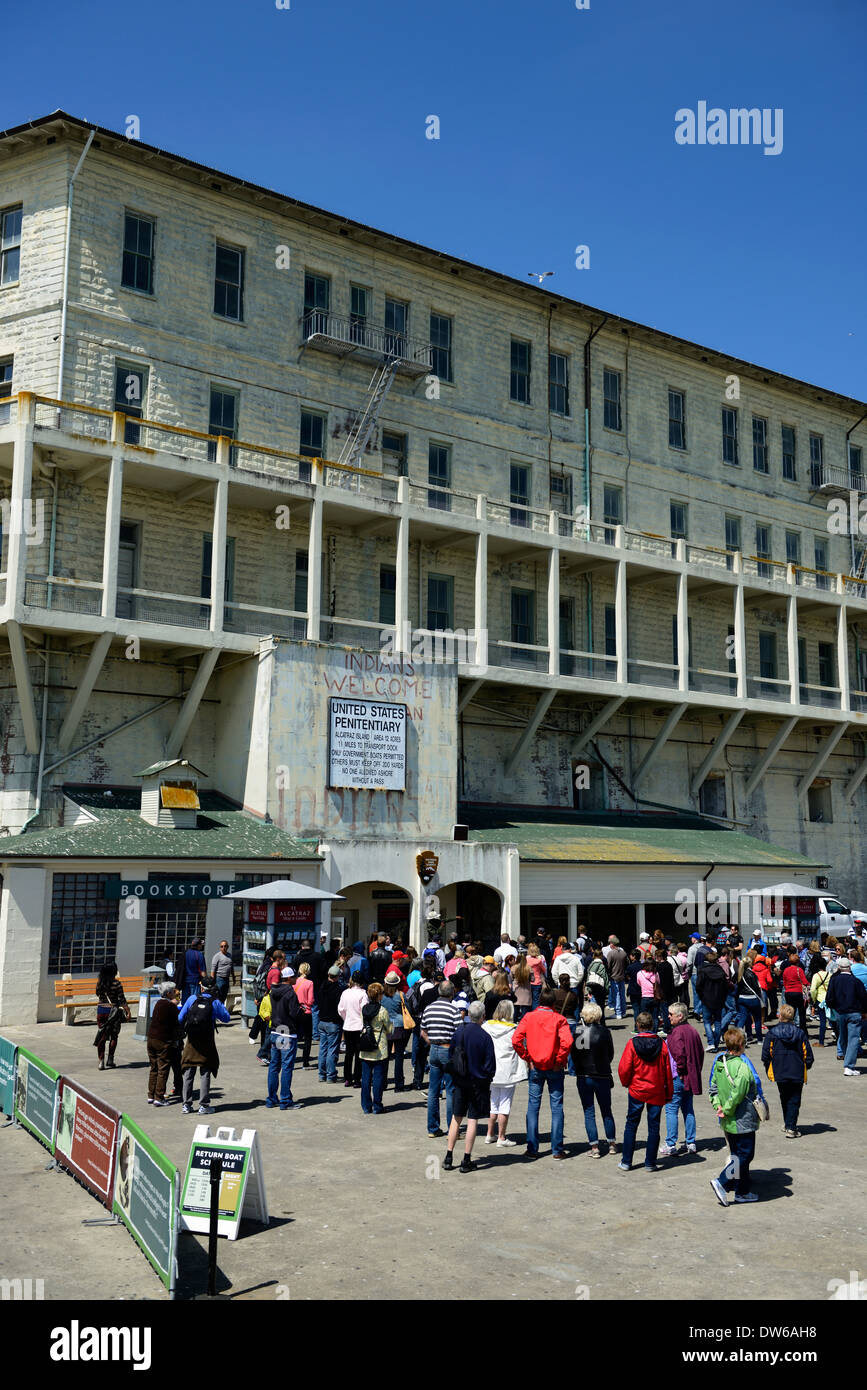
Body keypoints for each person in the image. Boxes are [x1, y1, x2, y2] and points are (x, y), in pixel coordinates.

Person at [511, 986, 573, 1160]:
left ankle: (532, 1148)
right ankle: (557, 1149)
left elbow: (516, 1039)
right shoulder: (559, 1019)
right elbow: (567, 1043)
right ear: (554, 1003)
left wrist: (527, 1057)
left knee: (533, 1106)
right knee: (556, 1106)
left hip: (536, 1066)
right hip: (553, 1066)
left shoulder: (529, 1017)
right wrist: (560, 1060)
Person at [708, 1026, 760, 1205]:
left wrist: (719, 1107)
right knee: (745, 1155)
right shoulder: (742, 1067)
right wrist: (727, 1108)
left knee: (737, 1155)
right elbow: (738, 1093)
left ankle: (742, 1191)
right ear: (741, 1045)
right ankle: (722, 1181)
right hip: (741, 1119)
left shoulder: (720, 1062)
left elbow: (712, 1088)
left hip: (727, 1119)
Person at [443, 1000, 496, 1171]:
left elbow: (451, 1054)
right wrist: (487, 1078)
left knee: (456, 1118)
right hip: (477, 1083)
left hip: (460, 1080)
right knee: (472, 1119)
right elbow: (490, 1065)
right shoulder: (485, 1037)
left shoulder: (459, 1032)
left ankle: (448, 1156)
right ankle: (466, 1159)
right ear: (482, 1016)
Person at [617, 1011, 673, 1172]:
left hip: (637, 1089)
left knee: (631, 1124)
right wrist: (669, 1093)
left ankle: (627, 1161)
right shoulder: (662, 1044)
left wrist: (626, 1082)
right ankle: (650, 1162)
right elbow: (668, 1071)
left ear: (638, 1025)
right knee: (654, 1126)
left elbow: (624, 1068)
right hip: (656, 1090)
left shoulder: (632, 1043)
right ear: (652, 1025)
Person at [177, 975, 230, 1114]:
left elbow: (180, 1017)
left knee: (189, 1070)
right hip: (207, 1039)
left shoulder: (192, 999)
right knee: (205, 1071)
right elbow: (226, 1018)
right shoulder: (214, 1002)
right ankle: (204, 1105)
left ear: (201, 987)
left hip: (192, 1039)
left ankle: (186, 1105)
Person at [761, 1002, 813, 1137]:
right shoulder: (800, 1033)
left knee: (784, 1097)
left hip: (780, 1070)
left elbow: (766, 1054)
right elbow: (808, 1055)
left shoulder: (772, 1033)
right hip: (797, 1070)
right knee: (794, 1099)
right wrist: (806, 1065)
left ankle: (788, 1123)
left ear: (780, 1016)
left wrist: (769, 1068)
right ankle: (791, 1126)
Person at [571, 1001, 616, 1157]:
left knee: (589, 1111)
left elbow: (575, 1056)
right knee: (606, 1110)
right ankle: (611, 1144)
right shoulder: (605, 1032)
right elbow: (610, 1054)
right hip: (602, 1074)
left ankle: (595, 1147)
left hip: (584, 1075)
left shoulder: (579, 1032)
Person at [482, 1000, 528, 1147]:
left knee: (493, 1103)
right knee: (504, 1105)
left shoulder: (487, 1026)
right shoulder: (514, 1029)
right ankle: (501, 1137)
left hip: (491, 1070)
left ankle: (490, 1134)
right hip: (507, 1072)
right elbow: (521, 1047)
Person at [660, 1001, 704, 1156]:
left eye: (671, 1014)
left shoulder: (676, 1033)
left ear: (680, 1016)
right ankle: (691, 1142)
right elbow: (700, 1053)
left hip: (679, 1077)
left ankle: (670, 1144)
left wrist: (680, 1071)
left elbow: (680, 1056)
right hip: (690, 1076)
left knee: (671, 1110)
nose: (668, 1017)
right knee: (688, 1109)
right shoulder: (693, 1030)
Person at [420, 980, 460, 1137]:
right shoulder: (453, 1010)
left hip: (434, 1050)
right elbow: (459, 1032)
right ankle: (452, 1128)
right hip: (447, 1049)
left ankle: (433, 1128)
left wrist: (431, 1042)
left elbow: (423, 1031)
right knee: (450, 1090)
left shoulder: (429, 1008)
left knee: (433, 1090)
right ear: (452, 993)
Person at [266, 966, 304, 1110]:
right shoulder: (290, 993)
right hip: (287, 1032)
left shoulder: (273, 991)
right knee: (287, 1067)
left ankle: (271, 1099)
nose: (295, 979)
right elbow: (294, 1014)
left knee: (274, 1067)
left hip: (276, 1031)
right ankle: (285, 1101)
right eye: (294, 977)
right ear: (289, 979)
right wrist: (302, 1012)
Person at [825, 958, 867, 1075]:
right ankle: (849, 1065)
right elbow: (863, 998)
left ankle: (847, 1061)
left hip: (840, 1013)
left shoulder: (834, 980)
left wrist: (834, 1007)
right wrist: (864, 1012)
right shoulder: (856, 981)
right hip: (854, 1012)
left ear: (839, 967)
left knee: (843, 1038)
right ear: (850, 967)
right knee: (853, 1039)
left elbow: (829, 998)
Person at [358, 982, 393, 1115]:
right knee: (378, 1078)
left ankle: (366, 1106)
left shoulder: (364, 1009)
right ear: (379, 995)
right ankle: (377, 1105)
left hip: (366, 1044)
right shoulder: (382, 1011)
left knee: (365, 1079)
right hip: (379, 1046)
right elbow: (389, 1029)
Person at [146, 981, 180, 1105]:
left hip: (151, 1038)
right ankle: (159, 1097)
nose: (176, 992)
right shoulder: (169, 1006)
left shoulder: (159, 1003)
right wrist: (175, 1005)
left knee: (154, 1068)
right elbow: (177, 1020)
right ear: (169, 993)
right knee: (163, 1068)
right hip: (163, 1040)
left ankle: (151, 1094)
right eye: (174, 991)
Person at [94, 960, 130, 1070]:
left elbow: (97, 994)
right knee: (114, 1036)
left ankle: (101, 1061)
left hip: (101, 1011)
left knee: (102, 1036)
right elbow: (122, 999)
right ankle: (110, 1059)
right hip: (113, 1012)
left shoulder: (100, 983)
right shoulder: (117, 983)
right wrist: (127, 1011)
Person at [338, 971, 368, 1088]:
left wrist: (347, 1018)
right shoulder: (363, 994)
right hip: (359, 1026)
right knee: (359, 1053)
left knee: (348, 1053)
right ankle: (357, 1079)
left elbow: (341, 1009)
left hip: (348, 1025)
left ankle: (347, 1078)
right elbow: (364, 1010)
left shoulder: (345, 992)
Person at [696, 950, 729, 1051]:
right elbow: (725, 987)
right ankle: (715, 1044)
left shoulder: (703, 971)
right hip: (719, 1000)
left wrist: (702, 996)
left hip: (707, 999)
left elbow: (698, 986)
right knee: (718, 1022)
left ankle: (711, 1043)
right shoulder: (720, 971)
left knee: (707, 1021)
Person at [381, 971, 409, 1092]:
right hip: (399, 1026)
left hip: (386, 1027)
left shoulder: (382, 996)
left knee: (384, 1057)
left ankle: (382, 1083)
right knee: (399, 1057)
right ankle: (399, 1084)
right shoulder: (401, 995)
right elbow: (407, 1009)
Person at [317, 964, 344, 1083]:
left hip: (322, 1021)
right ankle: (330, 1074)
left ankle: (321, 1074)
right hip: (333, 1022)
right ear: (337, 976)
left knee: (323, 1048)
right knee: (332, 1050)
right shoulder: (338, 990)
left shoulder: (322, 987)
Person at [735, 953, 765, 1045]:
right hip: (752, 998)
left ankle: (739, 1037)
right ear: (750, 964)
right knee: (757, 1019)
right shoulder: (752, 974)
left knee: (742, 1018)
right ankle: (759, 1039)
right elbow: (756, 987)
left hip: (742, 998)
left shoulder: (739, 974)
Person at [780, 950, 810, 1033]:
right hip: (798, 993)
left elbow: (784, 983)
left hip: (788, 993)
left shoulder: (786, 970)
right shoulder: (799, 970)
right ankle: (803, 1031)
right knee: (801, 1013)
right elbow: (804, 982)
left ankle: (790, 1030)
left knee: (791, 1012)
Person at [293, 961, 314, 1068]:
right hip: (306, 1012)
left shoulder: (294, 982)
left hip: (296, 1011)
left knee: (293, 1036)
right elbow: (310, 1001)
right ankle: (305, 1062)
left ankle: (291, 1059)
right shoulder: (309, 983)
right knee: (308, 1038)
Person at [810, 954, 833, 1046]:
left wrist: (814, 999)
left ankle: (821, 1041)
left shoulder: (816, 976)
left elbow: (812, 990)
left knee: (823, 1021)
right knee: (833, 1019)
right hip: (829, 998)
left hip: (820, 999)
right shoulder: (830, 975)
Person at [604, 938, 628, 1019]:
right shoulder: (623, 953)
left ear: (613, 944)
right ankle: (623, 1011)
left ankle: (618, 1012)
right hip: (622, 976)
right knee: (622, 994)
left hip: (614, 976)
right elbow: (627, 963)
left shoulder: (611, 953)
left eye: (610, 943)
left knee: (616, 994)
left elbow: (608, 966)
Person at [636, 956, 660, 1032]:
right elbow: (658, 983)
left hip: (645, 997)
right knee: (655, 1017)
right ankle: (654, 1033)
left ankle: (645, 1032)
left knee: (644, 1018)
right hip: (654, 997)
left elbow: (638, 983)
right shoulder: (656, 974)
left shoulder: (640, 973)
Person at [210, 940, 235, 1005]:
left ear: (228, 947)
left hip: (226, 979)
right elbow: (213, 969)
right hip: (219, 979)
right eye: (222, 946)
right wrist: (212, 982)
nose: (223, 948)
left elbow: (231, 967)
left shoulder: (229, 955)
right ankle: (217, 1010)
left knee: (224, 996)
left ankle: (221, 1009)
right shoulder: (217, 956)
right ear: (220, 947)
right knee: (218, 996)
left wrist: (233, 977)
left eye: (225, 946)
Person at [182, 938, 207, 1003]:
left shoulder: (186, 953)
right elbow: (203, 972)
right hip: (195, 982)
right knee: (195, 1002)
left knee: (185, 1002)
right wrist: (206, 983)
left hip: (185, 982)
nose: (202, 946)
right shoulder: (199, 954)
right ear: (198, 945)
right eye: (201, 944)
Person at [511, 954, 533, 1022]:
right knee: (525, 1011)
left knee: (515, 1010)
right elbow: (532, 979)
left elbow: (511, 978)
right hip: (526, 991)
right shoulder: (529, 968)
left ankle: (514, 1024)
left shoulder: (513, 968)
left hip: (516, 990)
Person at [526, 942, 548, 1009]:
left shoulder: (526, 959)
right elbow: (544, 970)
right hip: (537, 982)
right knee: (536, 1000)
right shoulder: (539, 961)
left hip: (528, 981)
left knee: (528, 999)